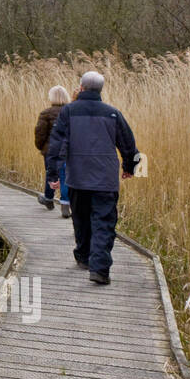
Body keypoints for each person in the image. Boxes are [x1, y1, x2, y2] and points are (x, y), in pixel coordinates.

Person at [46, 71, 140, 286]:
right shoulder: (113, 114)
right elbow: (129, 144)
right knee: (104, 222)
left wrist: (52, 173)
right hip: (105, 179)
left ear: (80, 88)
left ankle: (83, 256)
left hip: (77, 177)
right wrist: (130, 167)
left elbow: (57, 144)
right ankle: (99, 269)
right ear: (101, 90)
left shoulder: (68, 112)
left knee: (81, 219)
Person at [34, 85, 72, 218]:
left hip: (50, 150)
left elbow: (40, 133)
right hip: (68, 150)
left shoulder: (46, 113)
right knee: (66, 175)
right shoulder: (71, 112)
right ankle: (65, 203)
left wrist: (40, 147)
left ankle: (49, 198)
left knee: (51, 173)